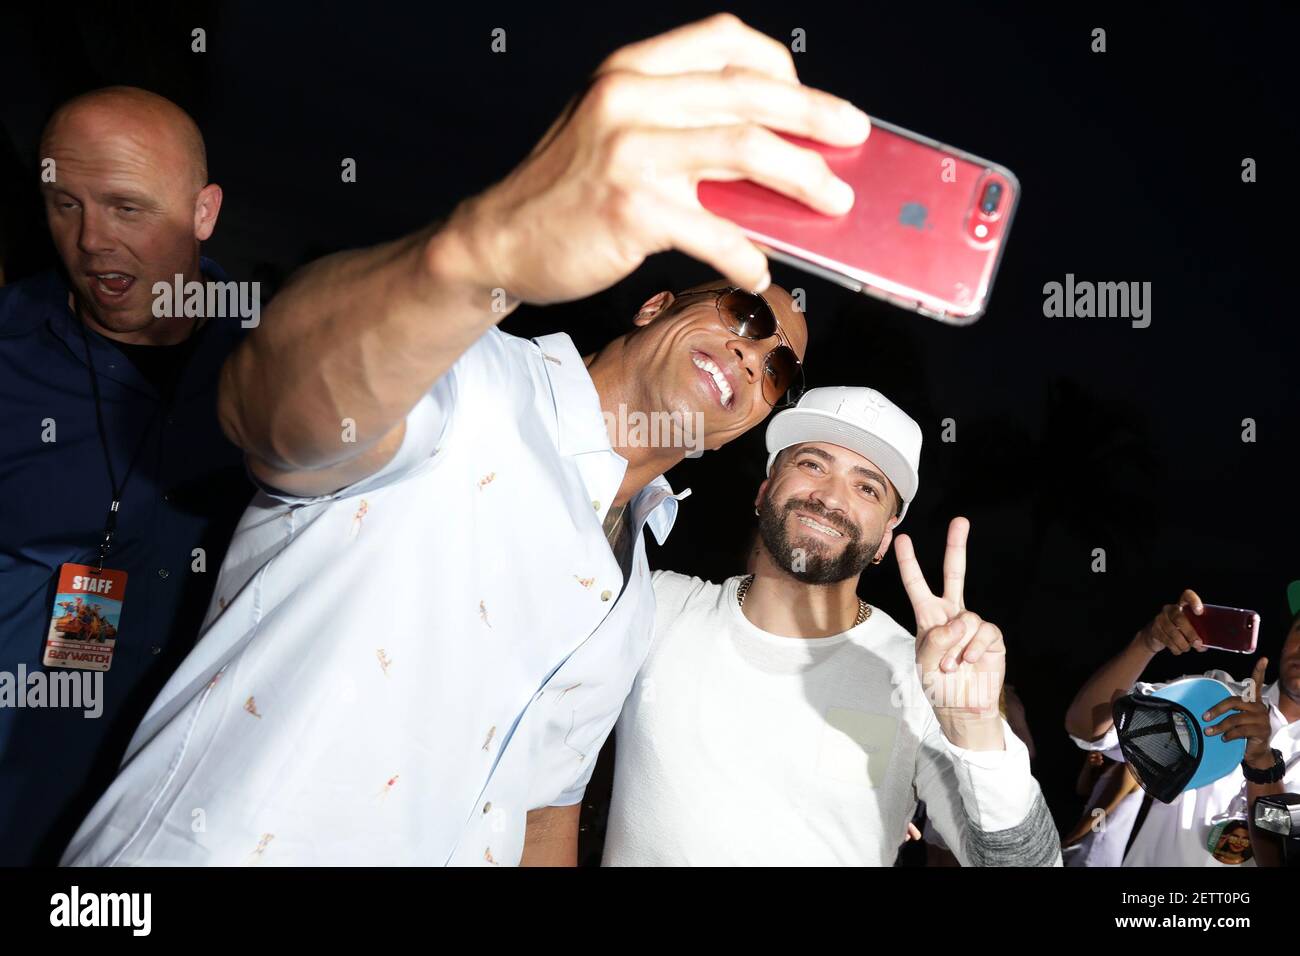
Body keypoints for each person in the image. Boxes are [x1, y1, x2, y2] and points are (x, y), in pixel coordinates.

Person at [63, 14, 870, 866]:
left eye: (779, 370)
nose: (752, 355)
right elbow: (266, 407)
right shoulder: (466, 374)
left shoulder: (633, 595)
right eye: (743, 313)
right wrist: (485, 249)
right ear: (654, 306)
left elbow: (543, 809)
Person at [602, 386, 1062, 865]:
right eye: (812, 464)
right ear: (764, 490)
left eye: (867, 488)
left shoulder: (923, 679)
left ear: (885, 537)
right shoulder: (655, 604)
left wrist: (975, 729)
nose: (830, 498)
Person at [0, 87, 252, 865]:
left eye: (127, 208)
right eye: (64, 203)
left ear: (203, 212)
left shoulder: (279, 367)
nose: (91, 240)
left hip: (205, 820)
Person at [1064, 588, 1300, 867]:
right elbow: (1085, 728)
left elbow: (1281, 858)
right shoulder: (1212, 695)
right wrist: (1146, 643)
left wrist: (1263, 766)